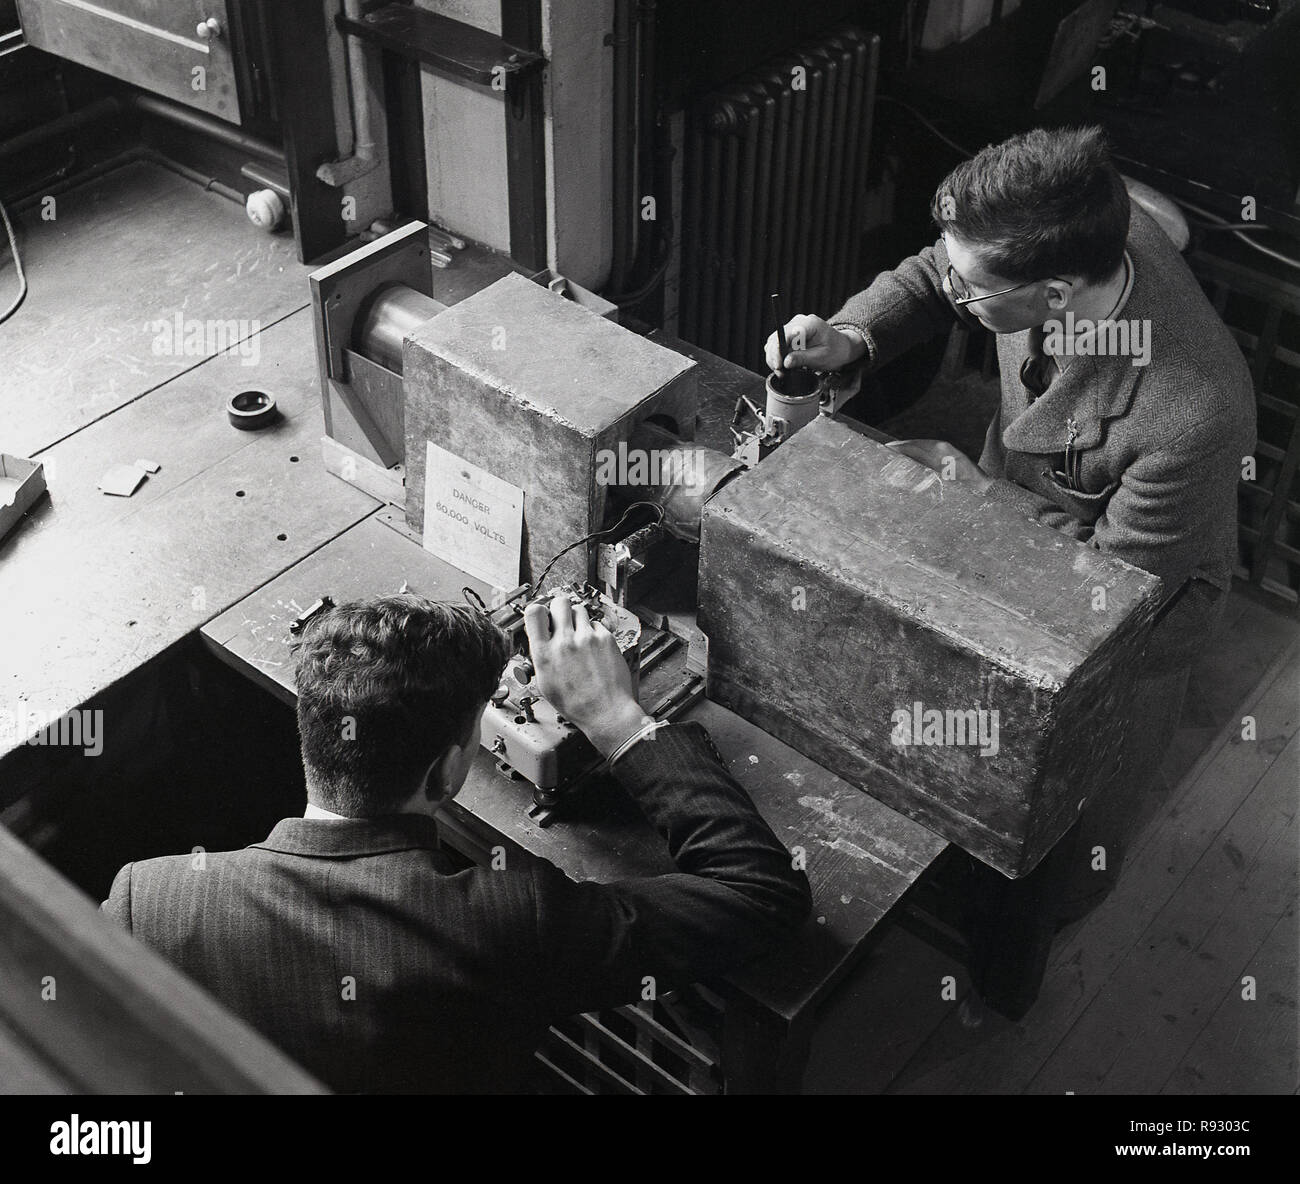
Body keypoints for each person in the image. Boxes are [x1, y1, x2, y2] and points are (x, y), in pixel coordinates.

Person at [767, 126, 1255, 997]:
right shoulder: (1046, 250)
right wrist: (849, 337)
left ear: (1058, 292)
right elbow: (932, 276)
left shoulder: (1195, 411)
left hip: (1132, 618)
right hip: (1027, 498)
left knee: (1060, 840)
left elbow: (1106, 594)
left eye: (974, 287)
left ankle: (1013, 955)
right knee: (963, 740)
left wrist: (966, 490)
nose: (955, 289)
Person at [102, 594, 811, 1092]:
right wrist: (616, 717)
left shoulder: (147, 899)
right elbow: (758, 896)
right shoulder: (507, 919)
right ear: (447, 769)